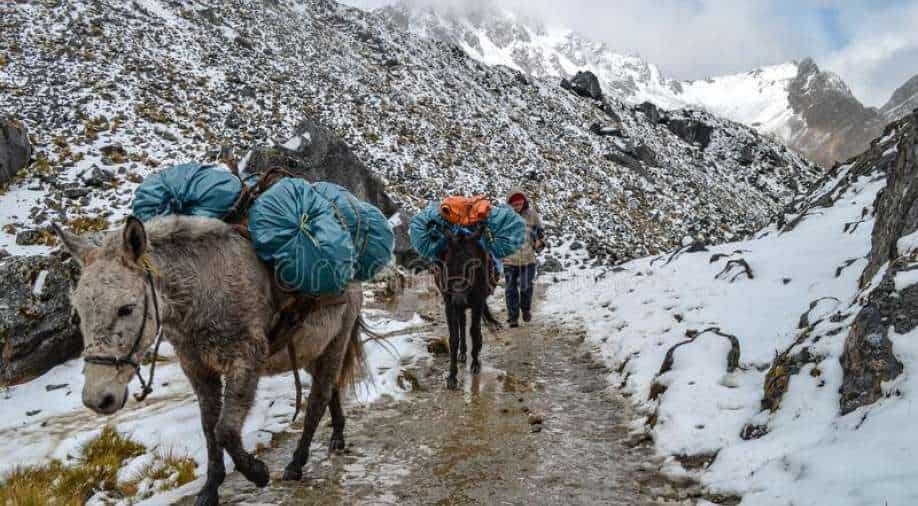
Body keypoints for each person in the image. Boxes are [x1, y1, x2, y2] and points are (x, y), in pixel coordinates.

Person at [502, 190, 545, 328]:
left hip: (528, 259)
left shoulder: (532, 215)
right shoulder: (504, 217)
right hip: (510, 259)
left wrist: (540, 242)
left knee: (526, 287)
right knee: (510, 289)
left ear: (524, 202)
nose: (517, 207)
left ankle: (525, 309)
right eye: (514, 204)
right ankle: (513, 318)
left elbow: (540, 232)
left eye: (520, 203)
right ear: (510, 204)